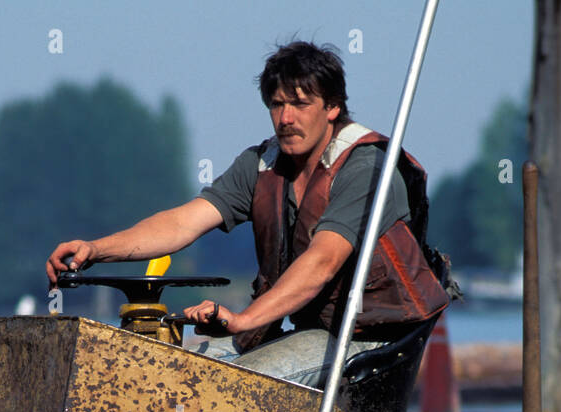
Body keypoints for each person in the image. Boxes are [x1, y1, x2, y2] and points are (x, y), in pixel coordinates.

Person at [45, 41, 451, 388]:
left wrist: (242, 320)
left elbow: (323, 260)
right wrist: (95, 249)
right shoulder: (262, 165)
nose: (285, 118)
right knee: (171, 370)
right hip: (306, 331)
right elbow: (183, 222)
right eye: (276, 104)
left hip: (367, 340)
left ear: (332, 108)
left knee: (233, 384)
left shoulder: (365, 169)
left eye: (299, 104)